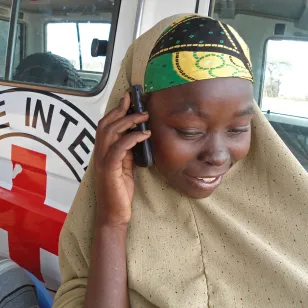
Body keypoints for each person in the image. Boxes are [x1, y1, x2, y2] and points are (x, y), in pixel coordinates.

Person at [53, 14, 308, 308]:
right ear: (133, 119)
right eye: (190, 131)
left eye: (238, 129)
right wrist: (112, 224)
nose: (218, 156)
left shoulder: (288, 213)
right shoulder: (105, 210)